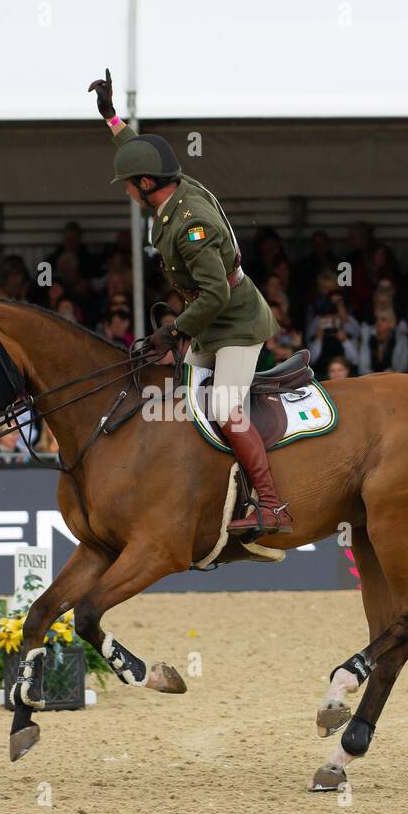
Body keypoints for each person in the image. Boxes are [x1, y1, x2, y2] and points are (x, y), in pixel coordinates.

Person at [90, 68, 287, 535]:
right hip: (210, 319)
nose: (125, 192)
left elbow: (216, 294)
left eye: (127, 184)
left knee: (224, 408)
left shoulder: (190, 224)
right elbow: (139, 151)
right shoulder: (173, 188)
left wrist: (171, 331)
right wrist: (111, 117)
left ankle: (273, 505)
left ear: (144, 184)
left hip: (235, 324)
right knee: (181, 395)